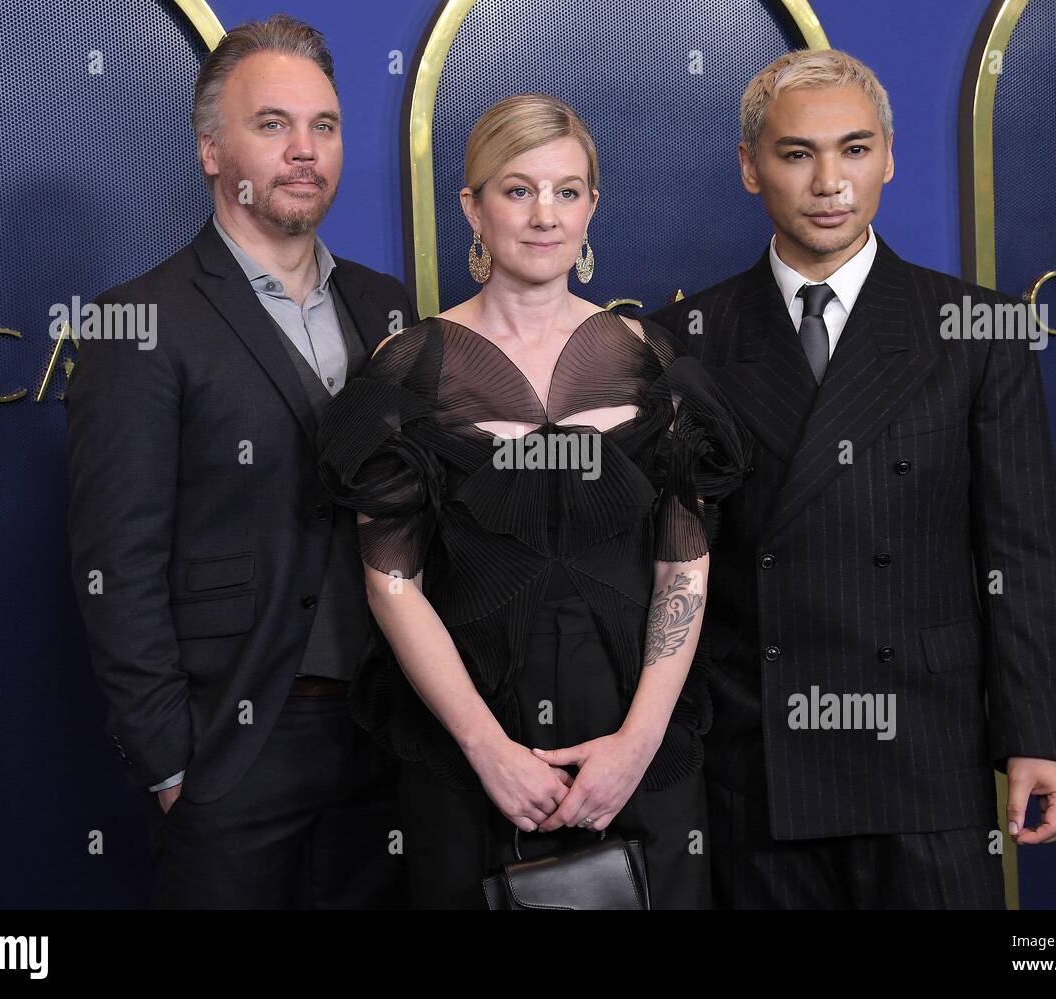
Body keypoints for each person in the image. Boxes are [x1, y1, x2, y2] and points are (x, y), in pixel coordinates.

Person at [650, 49, 1056, 909]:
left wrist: (1036, 734)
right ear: (749, 166)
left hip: (928, 757)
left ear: (888, 156)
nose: (828, 182)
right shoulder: (683, 340)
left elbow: (1019, 551)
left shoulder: (977, 329)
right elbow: (667, 569)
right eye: (797, 153)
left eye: (853, 149)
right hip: (757, 757)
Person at [318, 94, 749, 909]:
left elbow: (682, 569)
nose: (545, 215)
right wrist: (488, 750)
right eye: (518, 190)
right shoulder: (407, 366)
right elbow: (391, 581)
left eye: (568, 190)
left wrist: (639, 741)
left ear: (592, 206)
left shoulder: (653, 360)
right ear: (471, 208)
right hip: (471, 744)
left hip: (634, 732)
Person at [65, 14, 414, 908]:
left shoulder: (387, 307)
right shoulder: (138, 322)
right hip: (232, 747)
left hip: (389, 737)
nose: (305, 151)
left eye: (324, 127)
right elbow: (117, 562)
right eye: (274, 126)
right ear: (212, 150)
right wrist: (171, 762)